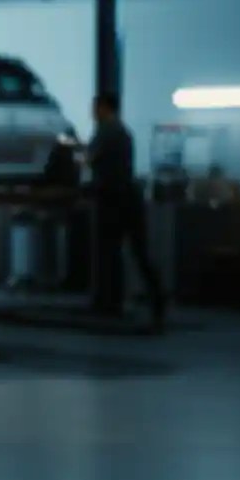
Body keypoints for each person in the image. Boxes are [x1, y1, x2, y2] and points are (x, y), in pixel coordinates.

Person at [87, 92, 165, 331]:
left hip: (113, 201)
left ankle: (110, 303)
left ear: (104, 107)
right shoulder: (123, 132)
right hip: (129, 200)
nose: (92, 112)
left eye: (95, 107)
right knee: (137, 252)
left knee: (110, 253)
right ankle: (156, 300)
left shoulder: (106, 132)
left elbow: (91, 159)